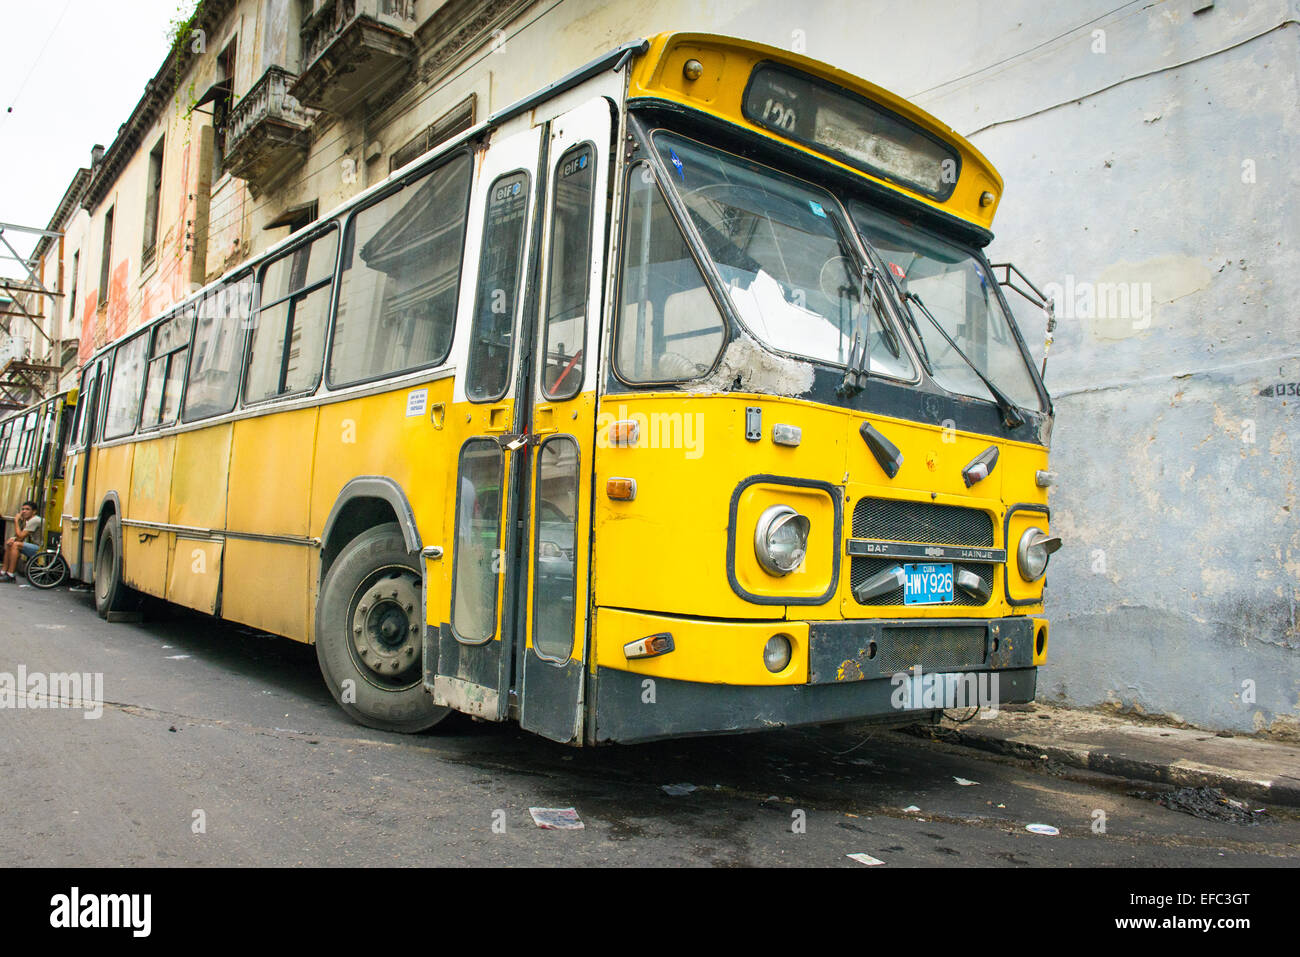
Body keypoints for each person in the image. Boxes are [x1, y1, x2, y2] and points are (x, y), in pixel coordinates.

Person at [1, 501, 43, 582]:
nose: (24, 511)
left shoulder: (35, 520)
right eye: (23, 509)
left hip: (41, 549)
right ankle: (3, 572)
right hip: (37, 547)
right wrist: (13, 538)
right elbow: (20, 536)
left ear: (34, 512)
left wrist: (16, 521)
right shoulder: (28, 521)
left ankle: (10, 575)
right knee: (10, 543)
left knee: (15, 545)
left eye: (27, 509)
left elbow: (20, 537)